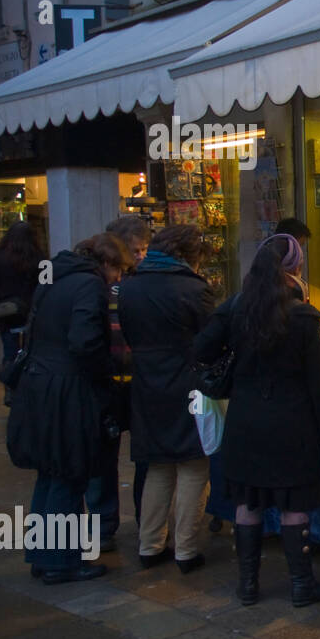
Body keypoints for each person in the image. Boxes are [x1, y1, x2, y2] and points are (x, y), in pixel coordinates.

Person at [194, 235, 320, 606]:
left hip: (246, 421)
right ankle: (301, 585)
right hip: (292, 425)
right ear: (293, 268)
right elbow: (319, 384)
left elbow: (201, 350)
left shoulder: (236, 308)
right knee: (294, 504)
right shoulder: (303, 317)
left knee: (250, 501)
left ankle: (247, 586)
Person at [7, 234, 132, 584]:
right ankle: (62, 562)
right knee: (69, 473)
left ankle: (43, 555)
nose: (119, 279)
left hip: (40, 385)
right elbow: (84, 342)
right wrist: (103, 379)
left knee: (49, 473)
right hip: (68, 390)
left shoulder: (53, 277)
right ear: (106, 263)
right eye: (119, 270)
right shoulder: (89, 286)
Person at [119, 225, 216, 573]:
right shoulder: (193, 289)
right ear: (190, 255)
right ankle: (186, 550)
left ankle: (150, 544)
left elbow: (128, 335)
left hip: (146, 384)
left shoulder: (129, 287)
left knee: (157, 465)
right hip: (187, 383)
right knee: (193, 464)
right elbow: (212, 340)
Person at [85, 215, 153, 552]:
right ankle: (103, 524)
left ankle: (147, 522)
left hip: (137, 379)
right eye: (135, 249)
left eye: (144, 249)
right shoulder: (96, 283)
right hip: (108, 381)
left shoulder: (142, 283)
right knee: (102, 457)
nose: (140, 256)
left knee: (143, 456)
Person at [0, 222, 44, 402]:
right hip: (32, 311)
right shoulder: (40, 259)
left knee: (10, 350)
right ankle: (27, 387)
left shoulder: (0, 257)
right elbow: (46, 285)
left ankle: (10, 386)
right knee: (30, 350)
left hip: (6, 312)